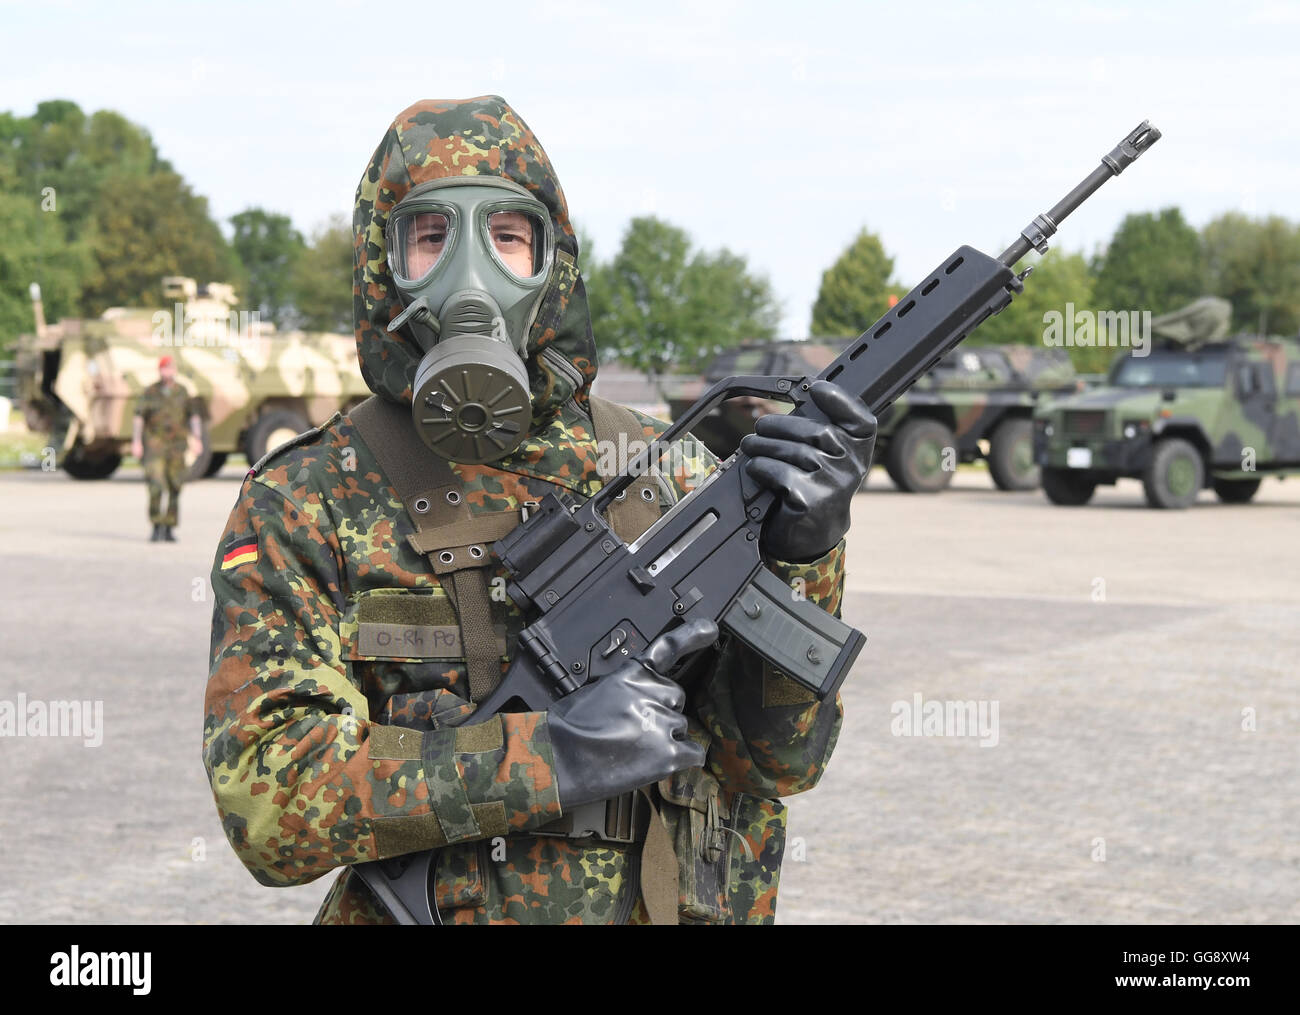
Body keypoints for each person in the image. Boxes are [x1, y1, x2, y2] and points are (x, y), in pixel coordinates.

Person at [202, 95, 876, 924]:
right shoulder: (306, 499)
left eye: (507, 237)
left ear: (551, 262)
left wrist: (807, 554)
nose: (471, 273)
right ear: (386, 267)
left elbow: (779, 763)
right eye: (433, 237)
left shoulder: (678, 473)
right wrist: (545, 757)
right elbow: (270, 802)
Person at [132, 355, 201, 542]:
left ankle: (169, 526)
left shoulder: (183, 391)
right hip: (155, 445)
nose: (167, 372)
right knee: (155, 485)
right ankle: (156, 525)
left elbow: (194, 416)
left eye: (170, 368)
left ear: (175, 370)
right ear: (159, 371)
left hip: (177, 446)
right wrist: (136, 441)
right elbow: (139, 417)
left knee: (175, 485)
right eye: (164, 368)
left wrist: (197, 438)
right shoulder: (150, 392)